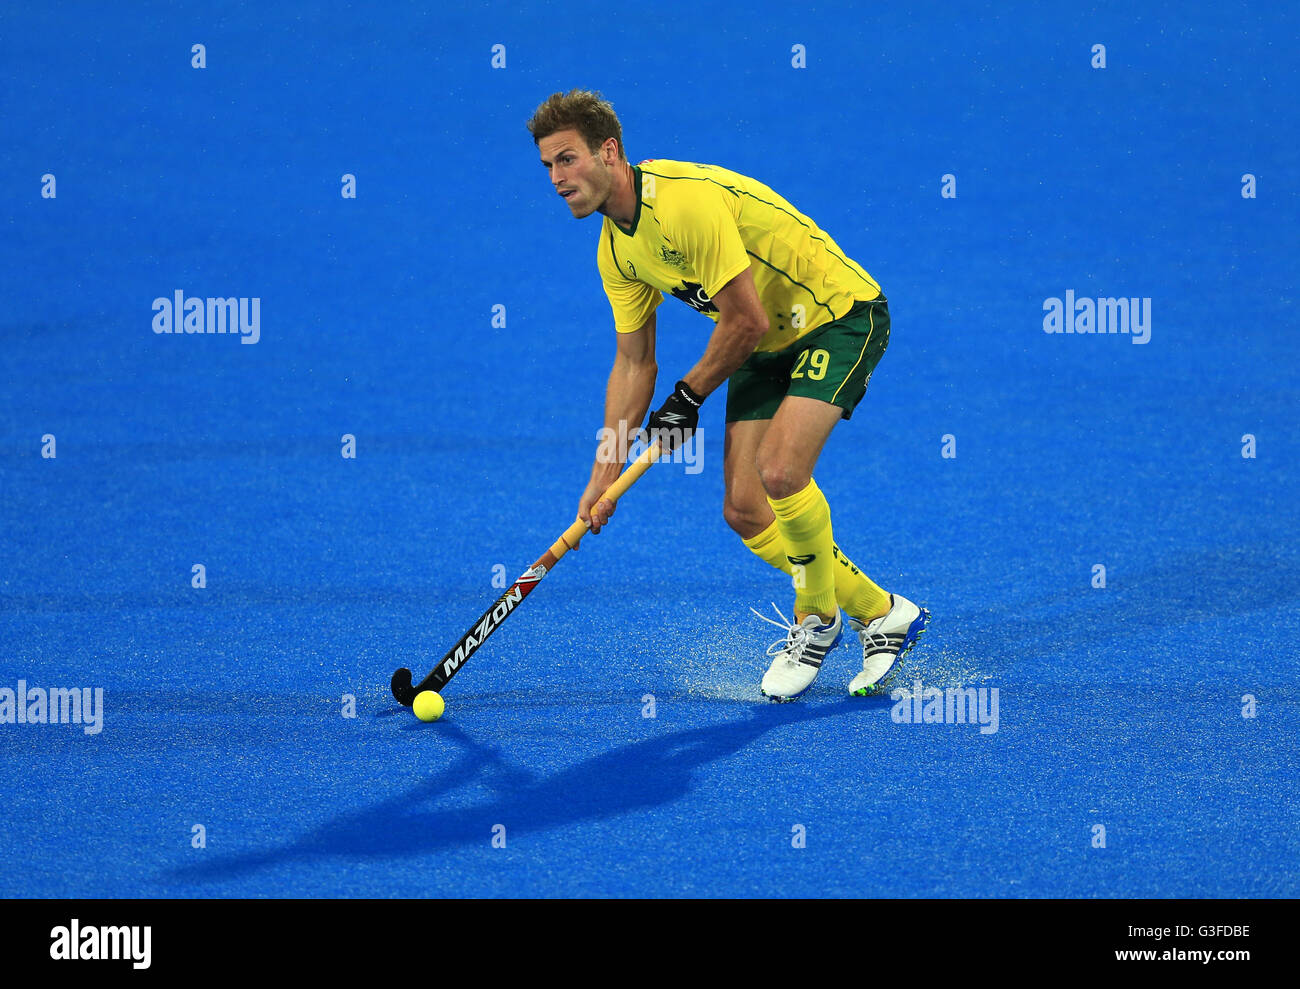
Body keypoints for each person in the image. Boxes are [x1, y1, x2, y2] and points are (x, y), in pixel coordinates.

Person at [528, 89, 929, 701]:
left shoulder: (683, 204)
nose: (557, 179)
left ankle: (816, 619)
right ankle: (884, 614)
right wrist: (603, 476)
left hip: (836, 316)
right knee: (745, 508)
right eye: (548, 167)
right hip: (764, 343)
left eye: (567, 159)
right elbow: (634, 364)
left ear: (609, 151)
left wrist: (687, 398)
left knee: (781, 472)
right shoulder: (616, 249)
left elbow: (743, 321)